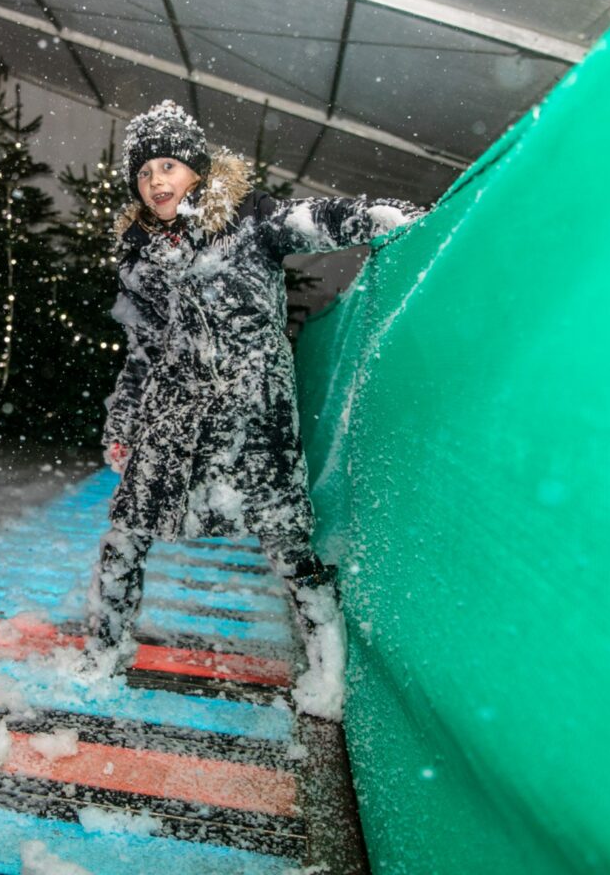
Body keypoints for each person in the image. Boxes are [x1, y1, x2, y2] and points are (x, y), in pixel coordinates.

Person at [90, 100, 425, 688]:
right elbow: (140, 355)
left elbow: (324, 218)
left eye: (167, 166)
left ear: (196, 169)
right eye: (143, 173)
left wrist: (391, 216)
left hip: (254, 413)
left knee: (287, 544)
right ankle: (102, 654)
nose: (155, 181)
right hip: (173, 415)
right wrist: (122, 426)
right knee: (125, 533)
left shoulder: (250, 221)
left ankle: (327, 671)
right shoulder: (141, 259)